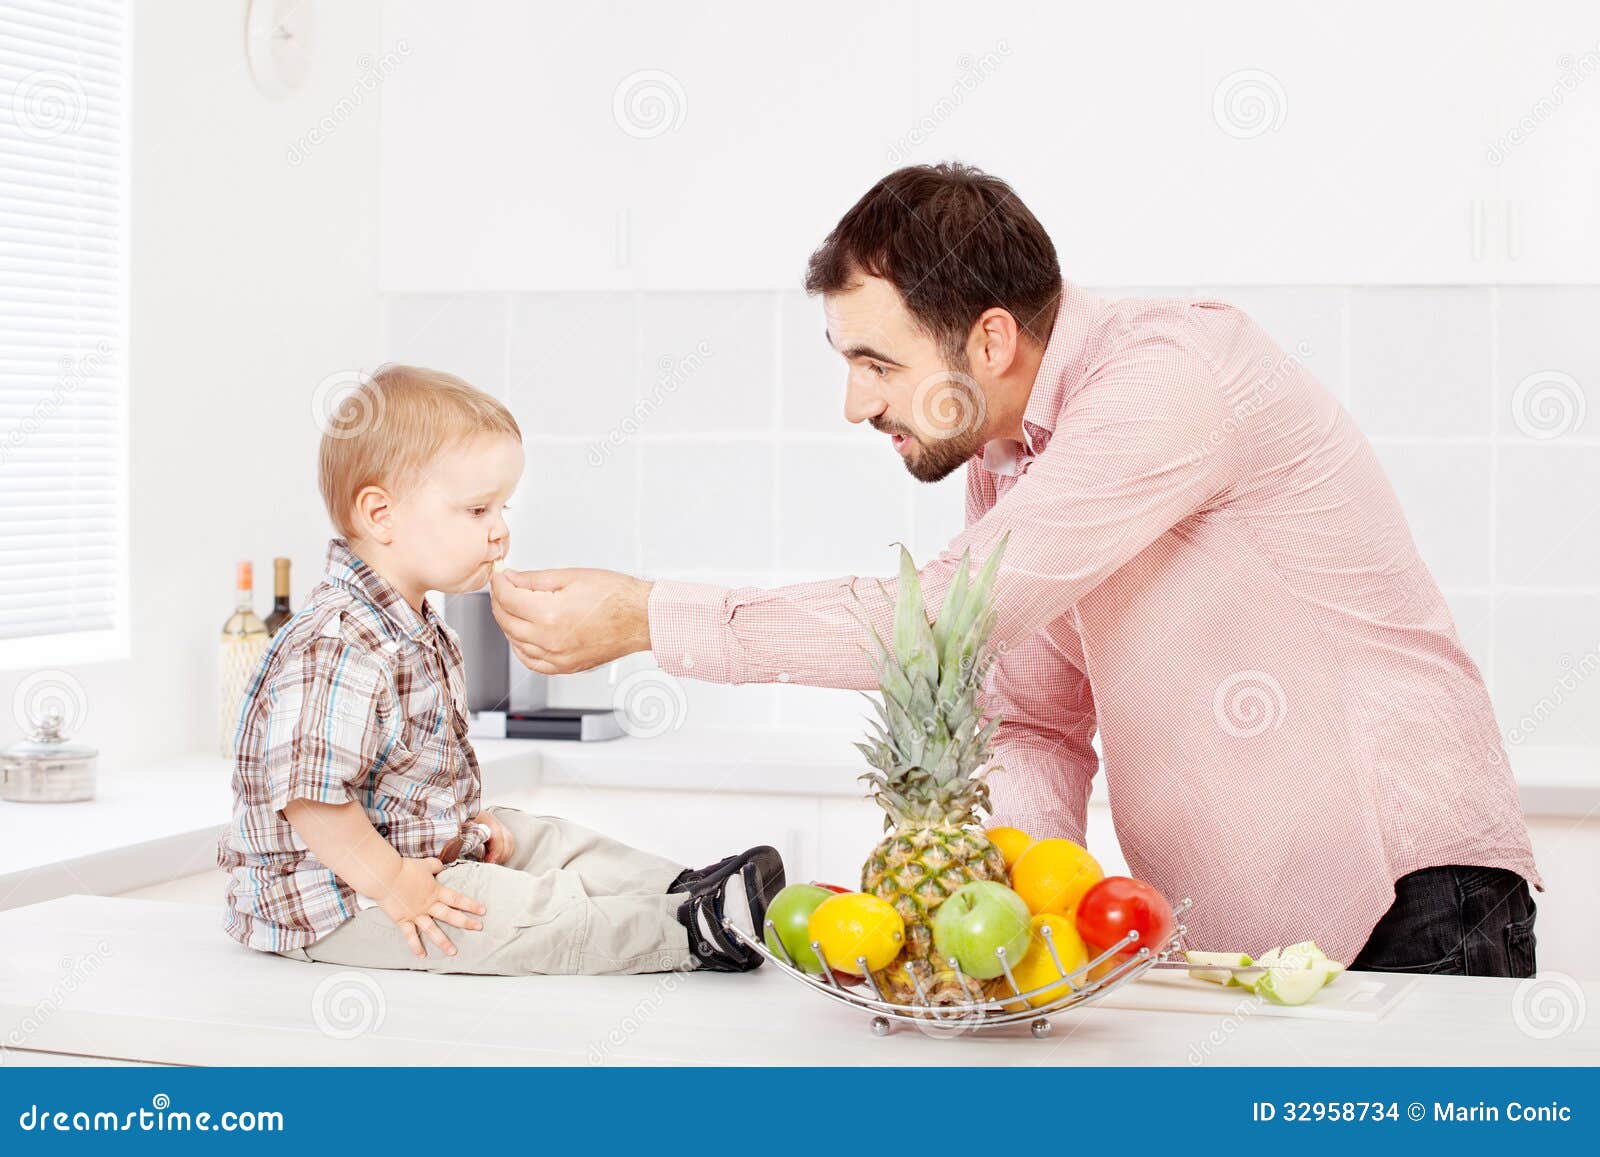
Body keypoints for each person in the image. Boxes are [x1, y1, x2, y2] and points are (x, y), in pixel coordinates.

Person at [489, 164, 1540, 976]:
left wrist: (651, 617)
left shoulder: (1166, 376)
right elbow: (1033, 722)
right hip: (1236, 942)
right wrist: (1002, 935)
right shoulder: (1008, 460)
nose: (856, 404)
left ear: (990, 340)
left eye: (876, 362)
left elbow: (943, 617)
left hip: (1411, 891)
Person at [216, 364, 783, 975]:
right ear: (381, 515)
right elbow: (310, 800)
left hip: (408, 860)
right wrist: (396, 884)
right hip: (343, 900)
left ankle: (686, 889)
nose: (501, 533)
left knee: (544, 840)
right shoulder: (337, 639)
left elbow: (404, 782)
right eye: (477, 510)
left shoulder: (416, 628)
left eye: (502, 508)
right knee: (510, 913)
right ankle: (684, 931)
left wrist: (460, 828)